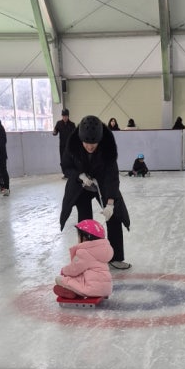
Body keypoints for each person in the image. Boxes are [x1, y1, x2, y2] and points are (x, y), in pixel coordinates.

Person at [60, 115, 131, 270]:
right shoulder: (72, 144)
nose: (90, 147)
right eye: (87, 143)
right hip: (81, 185)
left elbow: (112, 178)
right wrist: (80, 176)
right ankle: (87, 257)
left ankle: (116, 257)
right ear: (80, 139)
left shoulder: (108, 148)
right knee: (85, 221)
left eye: (94, 144)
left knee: (114, 217)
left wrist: (110, 204)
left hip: (103, 184)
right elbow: (66, 166)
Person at [53, 219, 113, 300]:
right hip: (106, 288)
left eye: (78, 236)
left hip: (91, 289)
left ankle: (71, 291)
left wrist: (64, 271)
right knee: (81, 276)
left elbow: (74, 270)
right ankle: (73, 290)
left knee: (59, 279)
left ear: (84, 238)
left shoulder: (84, 252)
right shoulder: (102, 250)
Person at [53, 109, 76, 176]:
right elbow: (55, 132)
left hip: (70, 145)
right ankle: (65, 173)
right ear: (62, 116)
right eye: (63, 116)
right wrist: (54, 132)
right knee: (63, 160)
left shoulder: (72, 124)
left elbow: (75, 135)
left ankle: (70, 173)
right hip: (62, 145)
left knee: (70, 159)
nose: (64, 117)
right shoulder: (59, 123)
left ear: (68, 116)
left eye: (66, 116)